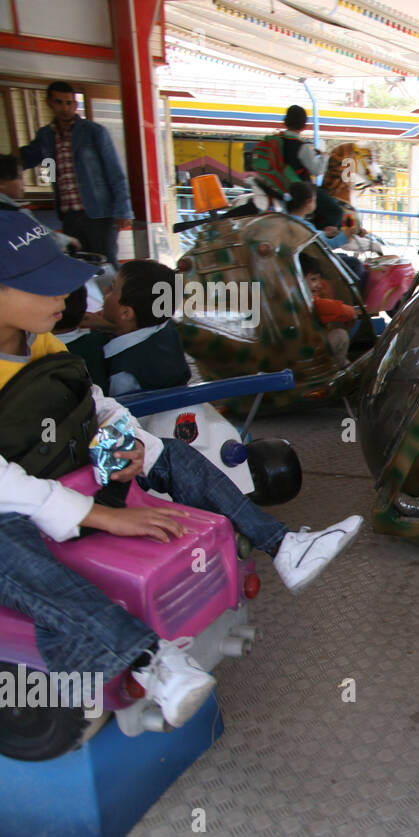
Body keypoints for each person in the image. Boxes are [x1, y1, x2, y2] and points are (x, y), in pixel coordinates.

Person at [0, 212, 363, 727]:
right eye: (45, 287)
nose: (67, 298)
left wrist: (131, 443)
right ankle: (150, 663)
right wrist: (101, 516)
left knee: (172, 452)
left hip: (66, 470)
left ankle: (283, 546)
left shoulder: (40, 341)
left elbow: (93, 400)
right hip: (17, 502)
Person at [19, 82, 132, 264]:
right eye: (59, 102)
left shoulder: (93, 132)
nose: (65, 108)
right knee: (78, 266)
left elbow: (115, 172)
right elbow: (25, 159)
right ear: (49, 103)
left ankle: (114, 293)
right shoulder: (46, 136)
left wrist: (123, 210)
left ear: (75, 105)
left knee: (105, 264)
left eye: (69, 103)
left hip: (98, 213)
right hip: (69, 215)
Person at [94, 260, 192, 396]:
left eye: (112, 288)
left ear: (126, 313)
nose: (105, 291)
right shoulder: (164, 325)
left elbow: (121, 412)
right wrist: (111, 325)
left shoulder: (123, 373)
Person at [0, 153, 77, 251]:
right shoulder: (18, 216)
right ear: (1, 183)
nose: (23, 183)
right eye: (19, 177)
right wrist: (67, 240)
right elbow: (46, 238)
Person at [301, 257, 364, 369]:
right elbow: (343, 310)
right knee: (340, 335)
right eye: (313, 279)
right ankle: (338, 368)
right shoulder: (311, 302)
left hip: (302, 346)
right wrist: (351, 313)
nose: (319, 285)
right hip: (306, 352)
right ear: (299, 280)